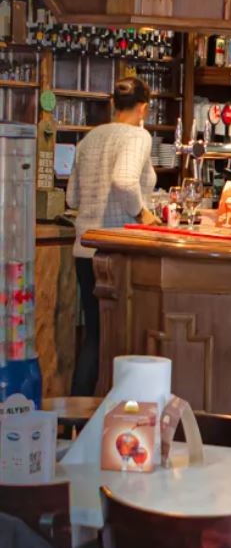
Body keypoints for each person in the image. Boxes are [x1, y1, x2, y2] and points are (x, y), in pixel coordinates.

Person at [66, 76, 159, 397]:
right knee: (122, 341)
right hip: (118, 252)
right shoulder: (137, 136)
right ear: (144, 107)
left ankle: (74, 424)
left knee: (95, 337)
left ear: (113, 105)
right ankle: (116, 423)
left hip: (85, 251)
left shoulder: (89, 139)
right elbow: (123, 181)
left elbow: (72, 199)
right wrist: (143, 214)